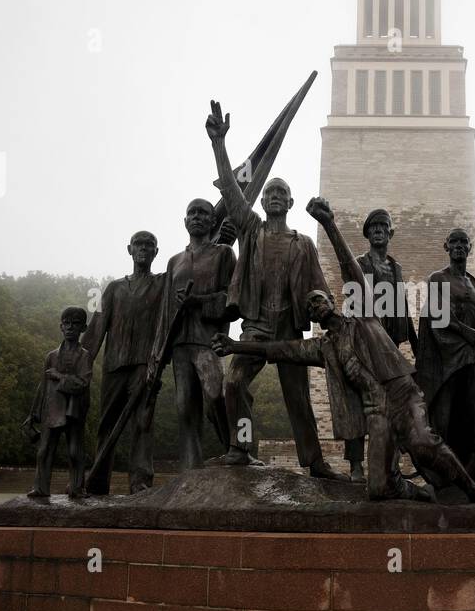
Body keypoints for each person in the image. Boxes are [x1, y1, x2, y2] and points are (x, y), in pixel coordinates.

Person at [214, 197, 475, 506]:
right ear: (312, 317)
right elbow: (279, 349)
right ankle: (410, 488)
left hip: (401, 397)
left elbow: (349, 269)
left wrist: (329, 224)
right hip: (376, 412)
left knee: (423, 442)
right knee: (378, 488)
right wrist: (235, 345)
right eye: (310, 305)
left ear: (332, 301)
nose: (315, 304)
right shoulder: (324, 347)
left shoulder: (366, 315)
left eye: (319, 298)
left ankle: (474, 489)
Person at [206, 100, 346, 480]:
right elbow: (234, 194)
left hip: (289, 329)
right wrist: (220, 145)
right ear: (263, 202)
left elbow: (319, 289)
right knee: (233, 383)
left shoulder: (303, 244)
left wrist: (330, 316)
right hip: (255, 326)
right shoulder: (251, 230)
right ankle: (241, 448)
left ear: (291, 202)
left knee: (298, 399)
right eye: (270, 193)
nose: (275, 197)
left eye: (282, 193)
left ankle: (315, 462)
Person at [149, 198, 236, 471]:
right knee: (185, 407)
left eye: (203, 213)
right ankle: (190, 468)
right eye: (191, 213)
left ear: (213, 221)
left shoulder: (223, 254)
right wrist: (157, 354)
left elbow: (233, 300)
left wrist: (197, 301)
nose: (197, 217)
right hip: (179, 343)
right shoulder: (175, 261)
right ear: (185, 221)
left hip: (207, 340)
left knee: (214, 397)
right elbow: (165, 311)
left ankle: (236, 450)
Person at [415, 228, 475, 482]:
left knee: (472, 414)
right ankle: (440, 469)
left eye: (463, 242)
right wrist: (465, 331)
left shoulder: (474, 285)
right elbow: (436, 314)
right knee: (442, 415)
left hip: (471, 358)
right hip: (444, 359)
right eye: (454, 242)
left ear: (470, 248)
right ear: (446, 246)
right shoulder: (437, 278)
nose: (459, 246)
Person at [83, 231, 166, 494]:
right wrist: (80, 364)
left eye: (149, 245)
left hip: (145, 365)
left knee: (143, 424)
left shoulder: (163, 284)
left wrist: (156, 361)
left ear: (156, 251)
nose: (143, 249)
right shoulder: (114, 288)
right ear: (129, 249)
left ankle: (140, 482)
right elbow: (96, 327)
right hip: (115, 365)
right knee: (106, 423)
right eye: (139, 245)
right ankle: (97, 482)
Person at [344, 208, 419, 480]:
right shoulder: (360, 263)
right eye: (373, 226)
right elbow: (351, 302)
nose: (378, 229)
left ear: (390, 232)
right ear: (367, 234)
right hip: (365, 342)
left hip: (389, 346)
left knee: (392, 404)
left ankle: (391, 464)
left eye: (383, 225)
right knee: (357, 401)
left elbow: (402, 308)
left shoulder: (396, 268)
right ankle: (355, 464)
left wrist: (416, 345)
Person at [25, 306, 93, 499]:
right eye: (67, 323)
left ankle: (77, 488)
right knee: (44, 451)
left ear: (83, 328)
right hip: (52, 407)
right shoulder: (51, 356)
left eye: (75, 324)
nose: (70, 327)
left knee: (74, 451)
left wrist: (59, 376)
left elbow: (83, 382)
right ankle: (40, 488)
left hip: (74, 409)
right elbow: (42, 386)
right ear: (61, 326)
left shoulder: (84, 355)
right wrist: (33, 413)